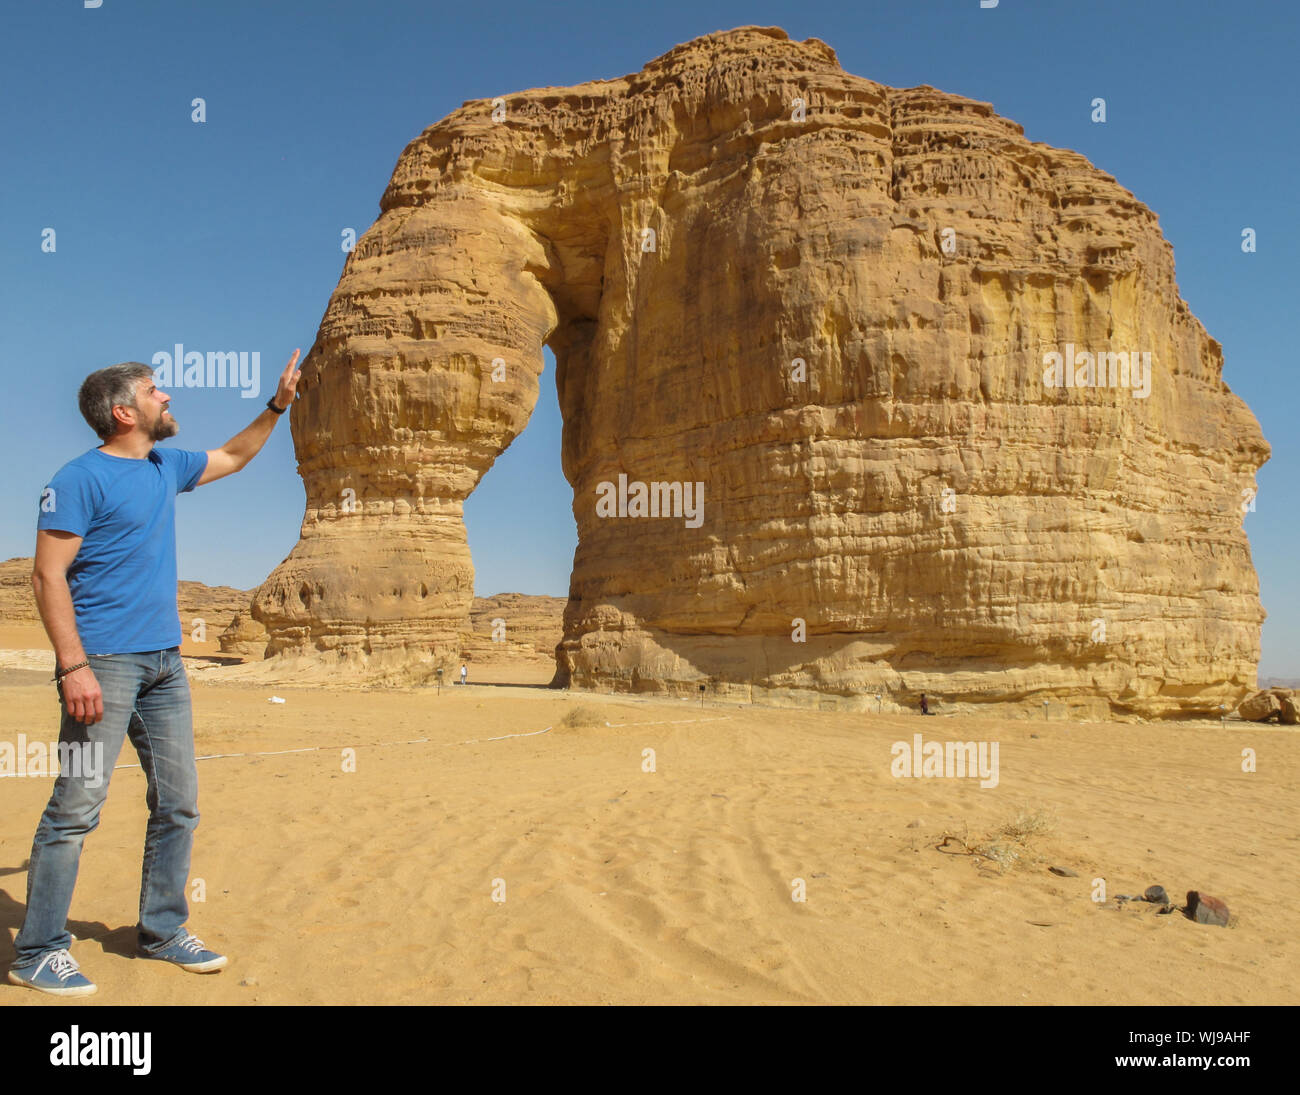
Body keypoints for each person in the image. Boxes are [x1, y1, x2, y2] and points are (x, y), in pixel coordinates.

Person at [8, 350, 301, 997]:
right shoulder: (77, 478)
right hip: (103, 666)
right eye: (153, 390)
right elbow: (46, 573)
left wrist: (278, 403)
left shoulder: (166, 466)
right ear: (123, 411)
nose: (166, 397)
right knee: (76, 807)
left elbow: (234, 455)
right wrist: (74, 665)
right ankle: (38, 950)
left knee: (179, 802)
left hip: (166, 665)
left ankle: (162, 929)